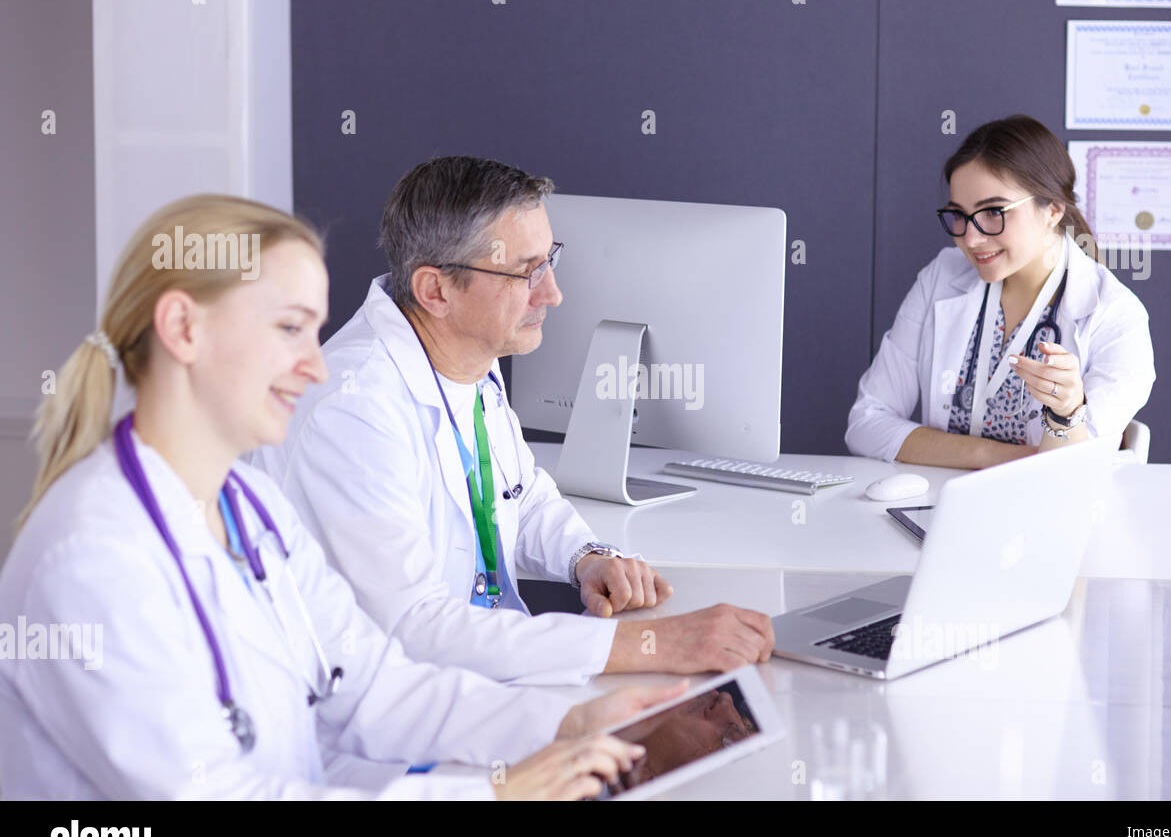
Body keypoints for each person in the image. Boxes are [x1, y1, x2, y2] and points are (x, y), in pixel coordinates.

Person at [0, 194, 687, 800]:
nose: (318, 363)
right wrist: (492, 795)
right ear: (184, 329)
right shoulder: (92, 558)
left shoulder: (246, 503)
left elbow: (370, 684)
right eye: (290, 328)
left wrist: (564, 724)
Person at [254, 156, 774, 688]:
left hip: (481, 684)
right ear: (436, 291)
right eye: (525, 272)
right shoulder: (353, 409)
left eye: (548, 261)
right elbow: (413, 628)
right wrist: (651, 644)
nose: (552, 293)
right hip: (390, 728)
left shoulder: (465, 357)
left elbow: (518, 493)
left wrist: (585, 557)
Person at [845, 115, 1155, 469]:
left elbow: (1081, 469)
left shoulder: (1116, 316)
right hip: (945, 506)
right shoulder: (941, 277)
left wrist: (1067, 413)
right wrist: (990, 456)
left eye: (993, 212)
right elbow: (866, 422)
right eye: (959, 215)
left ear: (1053, 209)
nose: (971, 239)